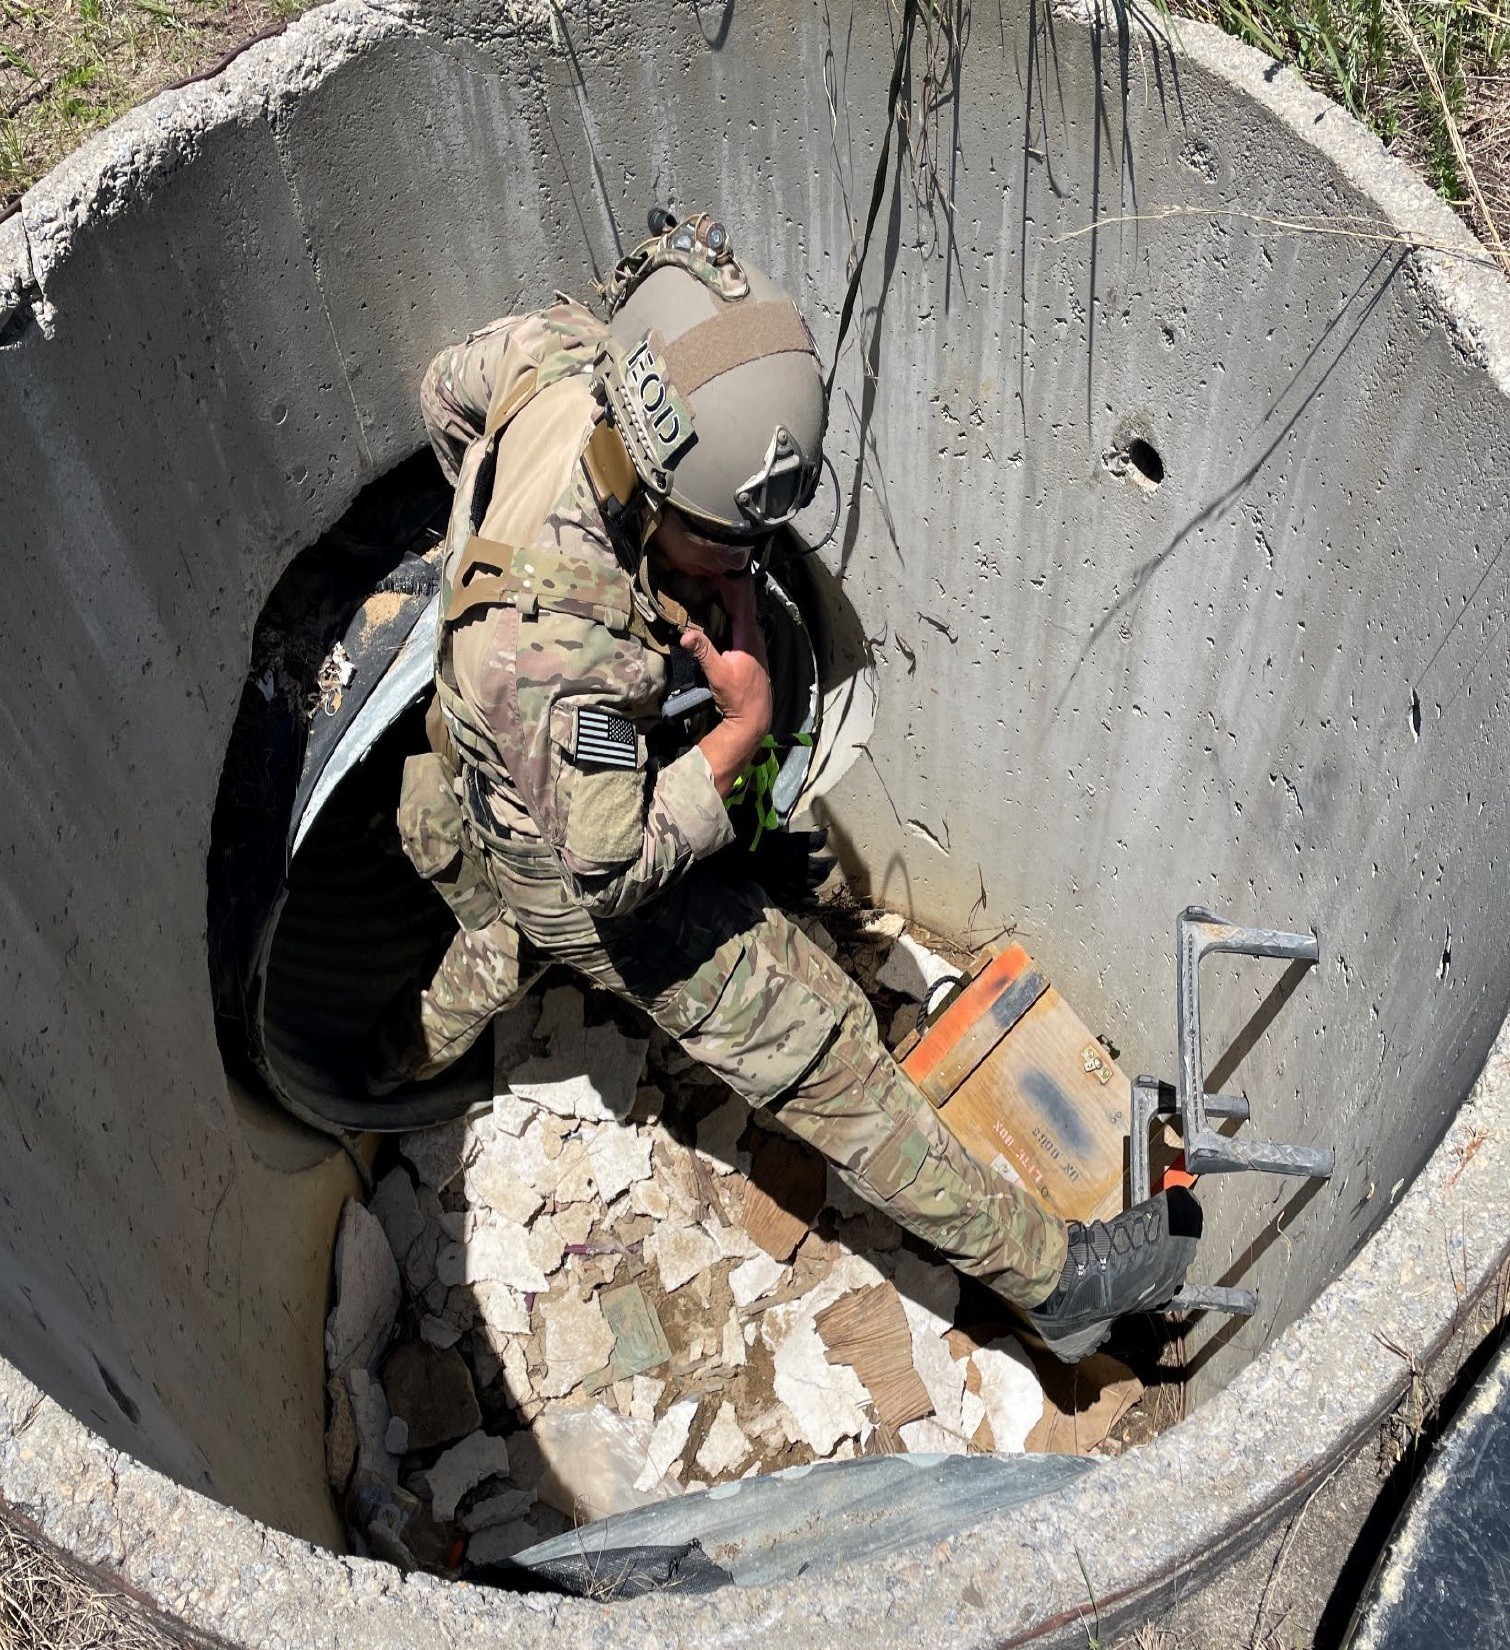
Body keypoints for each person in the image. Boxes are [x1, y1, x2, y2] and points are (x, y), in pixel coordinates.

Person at [367, 210, 1198, 1362]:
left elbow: (442, 398)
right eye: (724, 544)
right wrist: (741, 729)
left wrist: (487, 543)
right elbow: (607, 871)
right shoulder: (567, 647)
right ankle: (1060, 1284)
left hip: (479, 757)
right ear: (655, 490)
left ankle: (393, 1056)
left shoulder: (554, 357)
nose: (743, 568)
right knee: (820, 1049)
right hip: (577, 857)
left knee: (491, 930)